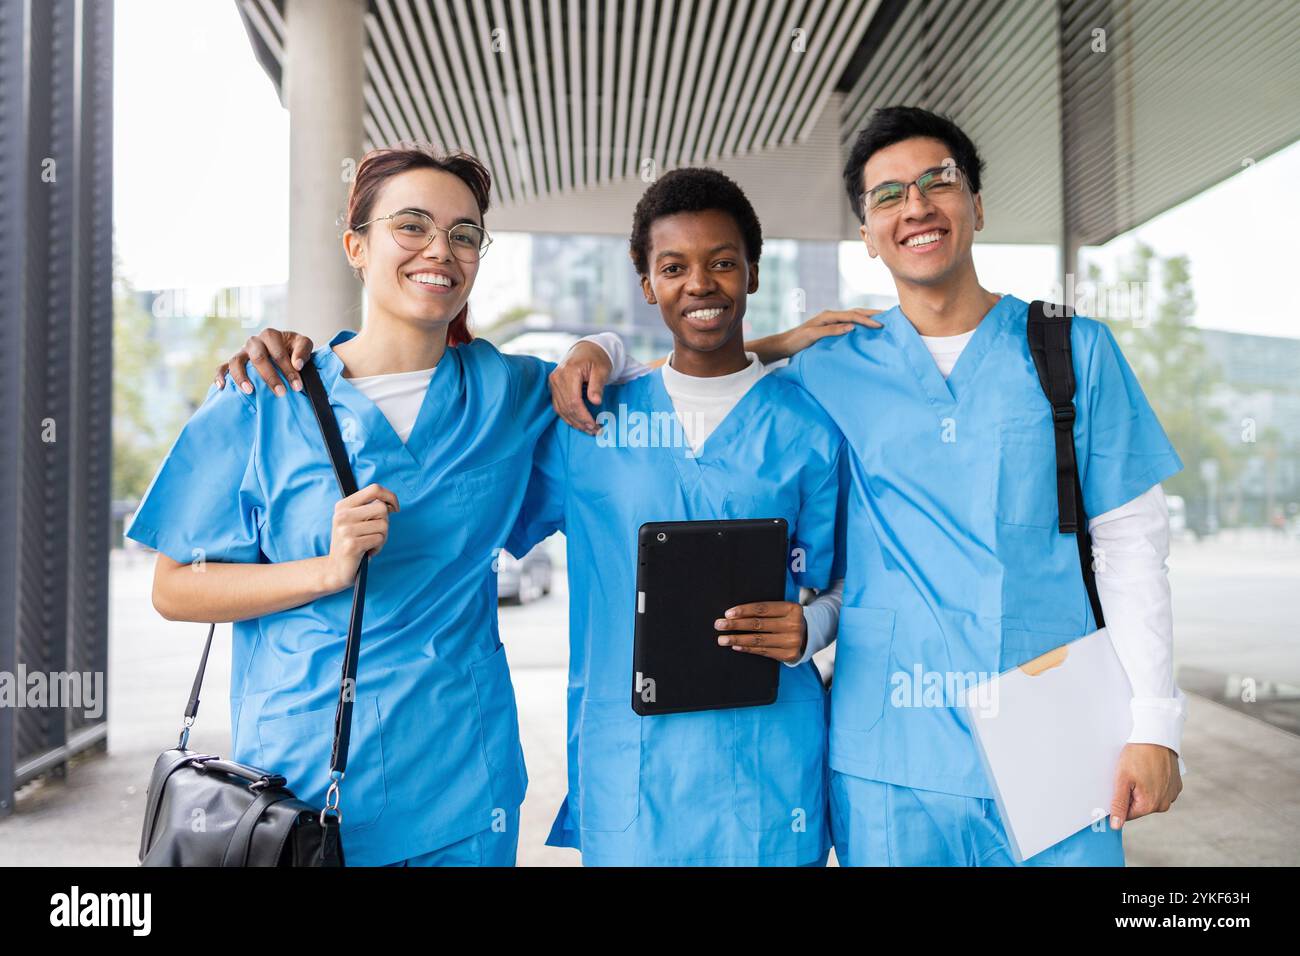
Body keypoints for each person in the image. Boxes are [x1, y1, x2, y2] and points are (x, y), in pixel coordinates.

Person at [561, 106, 1186, 866]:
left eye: (938, 182)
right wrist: (603, 344)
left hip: (1054, 738)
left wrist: (1155, 723)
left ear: (977, 204)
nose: (915, 206)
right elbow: (705, 358)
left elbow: (1131, 547)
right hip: (888, 759)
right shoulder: (831, 366)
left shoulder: (1070, 349)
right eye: (888, 195)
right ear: (866, 232)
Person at [128, 145, 558, 866]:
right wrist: (323, 571)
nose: (440, 251)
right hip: (299, 800)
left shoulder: (510, 395)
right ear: (356, 245)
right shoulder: (264, 393)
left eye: (463, 234)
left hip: (463, 790)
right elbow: (175, 588)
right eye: (412, 226)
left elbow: (660, 390)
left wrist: (761, 345)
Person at [506, 167, 863, 865]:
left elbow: (849, 583)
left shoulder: (811, 427)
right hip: (632, 766)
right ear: (647, 283)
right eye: (673, 266)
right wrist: (601, 345)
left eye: (722, 262)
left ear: (753, 273)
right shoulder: (590, 422)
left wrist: (811, 626)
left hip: (769, 763)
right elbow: (469, 494)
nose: (700, 283)